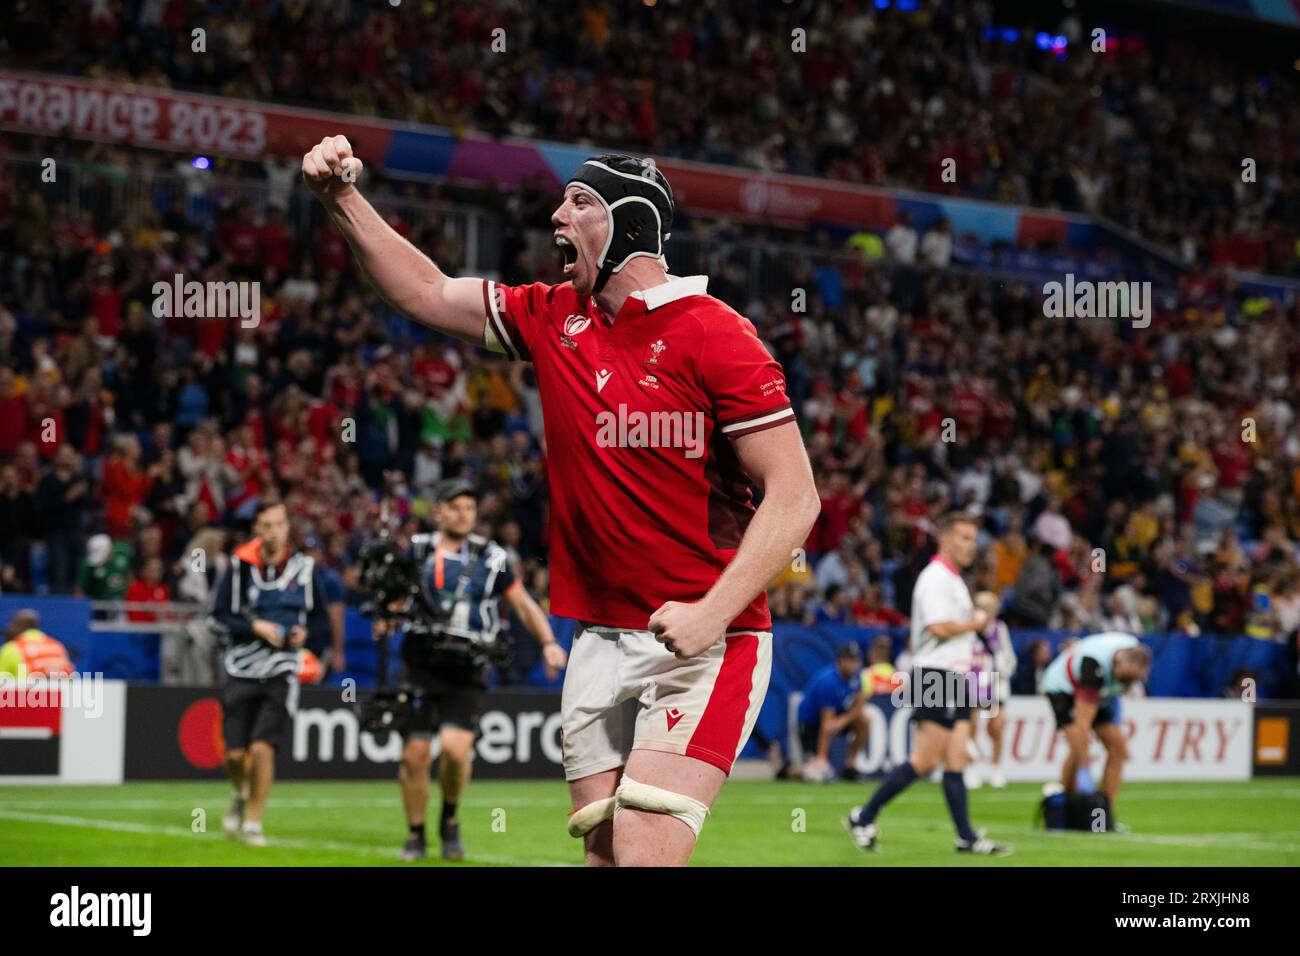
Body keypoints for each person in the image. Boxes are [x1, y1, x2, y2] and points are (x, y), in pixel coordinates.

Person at [304, 138, 819, 866]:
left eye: (580, 202)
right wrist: (342, 198)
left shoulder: (718, 334)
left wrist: (712, 612)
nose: (557, 214)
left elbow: (795, 498)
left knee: (642, 852)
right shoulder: (552, 315)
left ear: (630, 224)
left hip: (704, 643)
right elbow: (422, 291)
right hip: (597, 642)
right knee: (606, 860)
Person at [378, 478, 565, 862]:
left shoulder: (492, 557)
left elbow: (523, 604)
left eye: (469, 508)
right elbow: (391, 600)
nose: (463, 514)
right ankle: (415, 834)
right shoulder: (416, 553)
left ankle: (449, 818)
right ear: (439, 512)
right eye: (455, 507)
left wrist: (548, 641)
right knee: (414, 754)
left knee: (454, 752)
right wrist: (388, 615)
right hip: (420, 662)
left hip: (466, 667)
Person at [846, 513, 1011, 855]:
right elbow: (938, 627)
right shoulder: (935, 578)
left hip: (957, 677)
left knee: (956, 761)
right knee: (924, 760)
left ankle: (966, 837)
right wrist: (976, 622)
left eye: (973, 539)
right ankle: (863, 816)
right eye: (964, 538)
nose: (971, 546)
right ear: (945, 539)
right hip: (936, 675)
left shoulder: (954, 580)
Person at [209, 500, 331, 847]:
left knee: (263, 749)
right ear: (257, 530)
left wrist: (307, 637)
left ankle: (253, 822)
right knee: (235, 755)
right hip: (242, 668)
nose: (273, 532)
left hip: (282, 670)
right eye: (266, 525)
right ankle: (239, 792)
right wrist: (254, 626)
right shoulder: (240, 567)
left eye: (279, 524)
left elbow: (321, 620)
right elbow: (219, 616)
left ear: (287, 527)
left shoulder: (305, 569)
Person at [1042, 631, 1152, 819]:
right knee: (1079, 745)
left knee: (1118, 748)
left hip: (1101, 692)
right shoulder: (1092, 663)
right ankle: (1068, 808)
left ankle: (1102, 814)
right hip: (1063, 688)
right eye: (1124, 679)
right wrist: (1085, 770)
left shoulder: (1134, 650)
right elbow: (1082, 724)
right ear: (1118, 663)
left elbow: (1117, 693)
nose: (1125, 684)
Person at [966, 590, 1016, 790]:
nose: (991, 614)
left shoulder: (1000, 629)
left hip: (995, 685)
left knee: (997, 727)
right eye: (987, 609)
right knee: (972, 728)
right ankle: (972, 768)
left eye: (993, 610)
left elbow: (1009, 657)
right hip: (972, 684)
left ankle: (996, 769)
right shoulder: (968, 630)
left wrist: (1005, 669)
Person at [797, 643, 866, 782]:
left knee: (864, 720)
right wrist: (822, 756)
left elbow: (859, 706)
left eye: (856, 660)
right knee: (810, 770)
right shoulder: (827, 682)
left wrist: (843, 720)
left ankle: (850, 766)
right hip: (810, 724)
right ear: (841, 661)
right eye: (851, 660)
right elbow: (826, 723)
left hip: (836, 718)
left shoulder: (856, 678)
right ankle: (787, 770)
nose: (855, 664)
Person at [0, 610, 73, 679]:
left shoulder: (12, 648)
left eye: (12, 624)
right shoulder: (56, 645)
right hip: (62, 691)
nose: (8, 629)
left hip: (28, 691)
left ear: (20, 626)